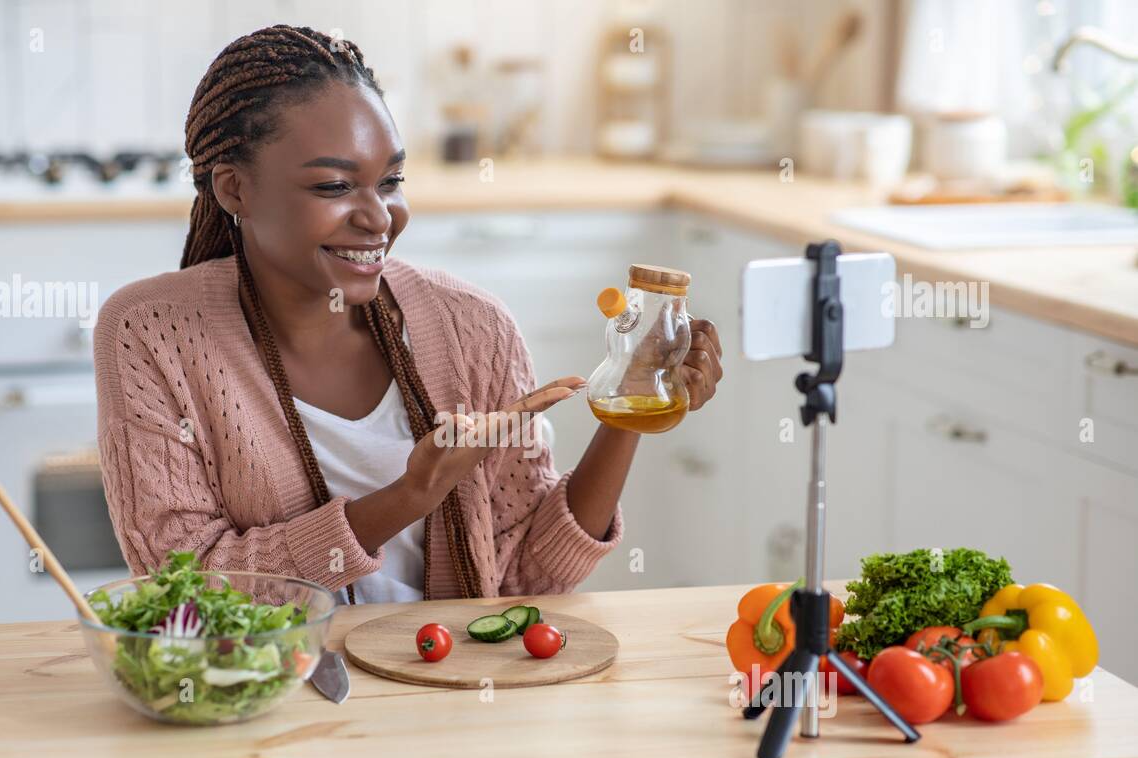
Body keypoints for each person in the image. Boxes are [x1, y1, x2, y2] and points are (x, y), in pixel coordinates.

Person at [94, 25, 723, 604]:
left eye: (391, 181)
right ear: (235, 189)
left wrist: (634, 405)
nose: (377, 217)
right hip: (263, 694)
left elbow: (529, 574)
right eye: (335, 187)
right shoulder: (152, 333)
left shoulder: (473, 326)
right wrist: (411, 495)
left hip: (442, 689)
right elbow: (186, 594)